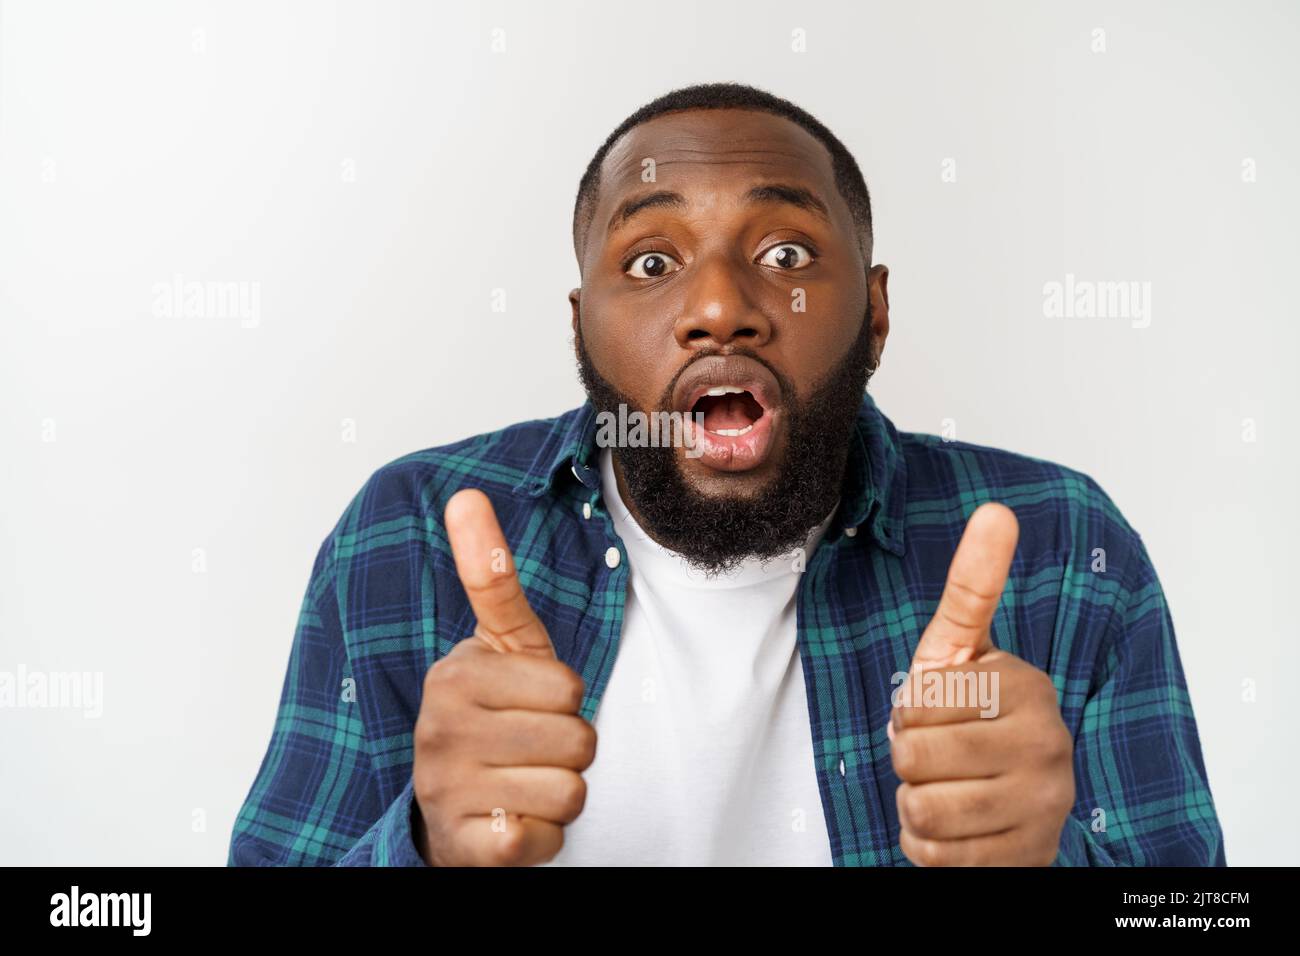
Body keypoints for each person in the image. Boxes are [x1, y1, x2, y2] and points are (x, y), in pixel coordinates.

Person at [228, 82, 1225, 867]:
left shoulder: (1060, 550)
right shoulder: (409, 535)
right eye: (652, 262)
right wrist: (426, 844)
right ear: (580, 323)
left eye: (786, 250)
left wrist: (1044, 858)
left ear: (874, 313)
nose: (718, 307)